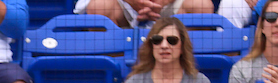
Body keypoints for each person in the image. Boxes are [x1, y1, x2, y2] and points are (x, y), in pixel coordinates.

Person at [74, 0, 212, 29]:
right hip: (125, 9)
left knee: (201, 6)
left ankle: (190, 70)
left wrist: (161, 2)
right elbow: (81, 6)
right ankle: (116, 70)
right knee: (99, 6)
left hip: (171, 7)